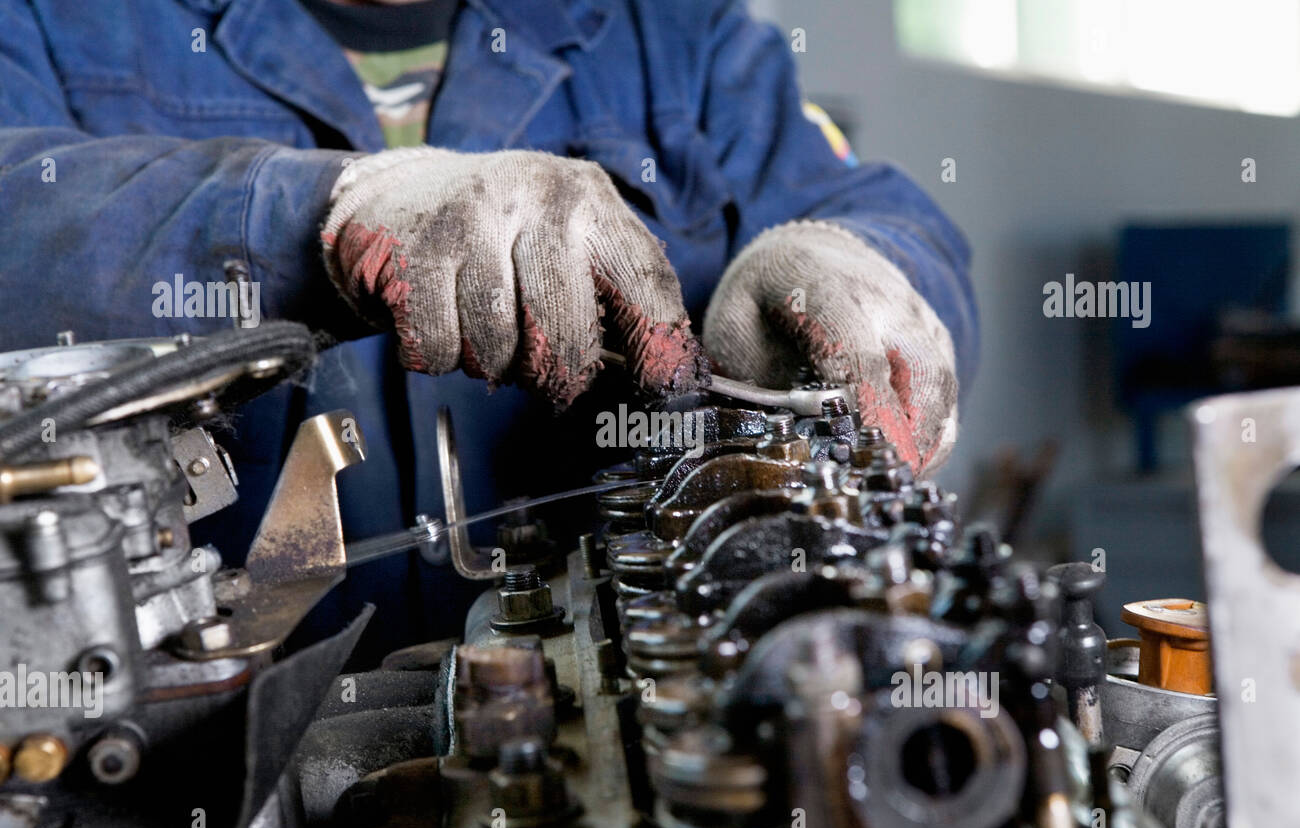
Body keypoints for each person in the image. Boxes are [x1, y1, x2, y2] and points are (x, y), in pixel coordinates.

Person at [0, 0, 977, 651]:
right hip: (215, 765)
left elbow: (873, 207)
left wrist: (864, 264)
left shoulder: (670, 31)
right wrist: (317, 216)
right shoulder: (61, 21)